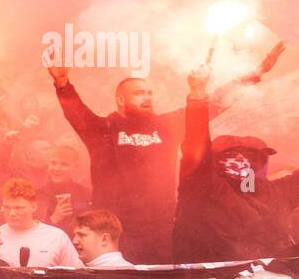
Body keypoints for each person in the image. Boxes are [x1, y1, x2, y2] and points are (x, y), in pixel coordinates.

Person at [46, 42, 284, 264]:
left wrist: (256, 73)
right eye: (139, 93)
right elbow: (77, 113)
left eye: (150, 93)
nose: (147, 97)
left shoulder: (165, 126)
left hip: (161, 229)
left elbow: (211, 106)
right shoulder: (104, 130)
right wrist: (63, 84)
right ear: (120, 99)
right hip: (113, 231)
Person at [172, 66, 299, 263]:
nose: (246, 164)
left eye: (256, 159)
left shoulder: (269, 191)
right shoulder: (203, 189)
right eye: (240, 158)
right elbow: (196, 147)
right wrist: (197, 96)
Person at [0, 178, 83, 268]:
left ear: (34, 206)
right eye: (6, 207)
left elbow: (78, 272)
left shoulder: (56, 236)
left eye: (18, 208)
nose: (12, 213)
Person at [38, 143, 92, 235]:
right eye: (53, 163)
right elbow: (33, 233)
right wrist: (54, 218)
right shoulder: (37, 195)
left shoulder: (87, 194)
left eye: (64, 164)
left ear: (75, 167)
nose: (57, 168)